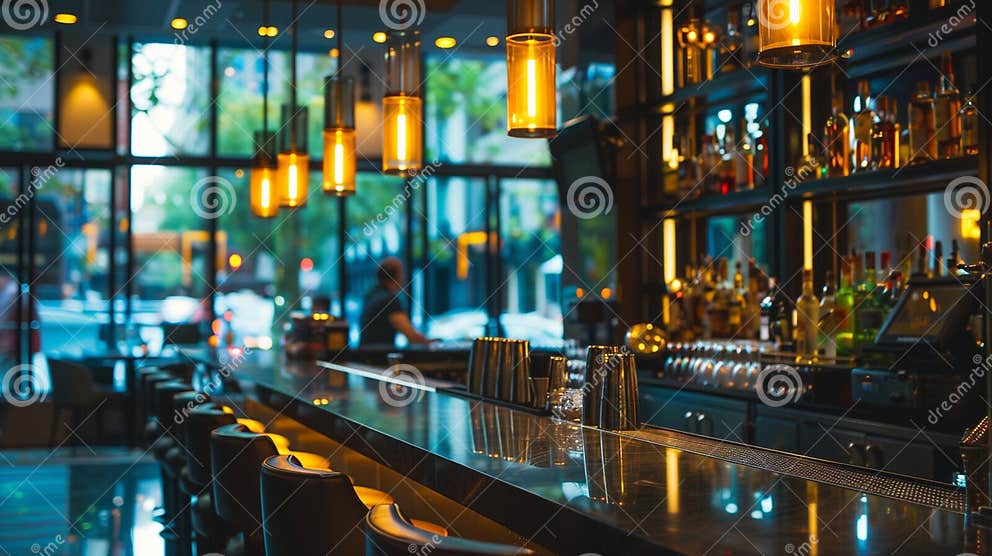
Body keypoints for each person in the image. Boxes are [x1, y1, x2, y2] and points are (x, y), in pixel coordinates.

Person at [359, 257, 430, 347]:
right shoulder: (389, 300)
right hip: (379, 356)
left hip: (364, 353)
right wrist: (431, 343)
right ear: (397, 276)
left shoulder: (371, 294)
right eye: (402, 273)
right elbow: (411, 336)